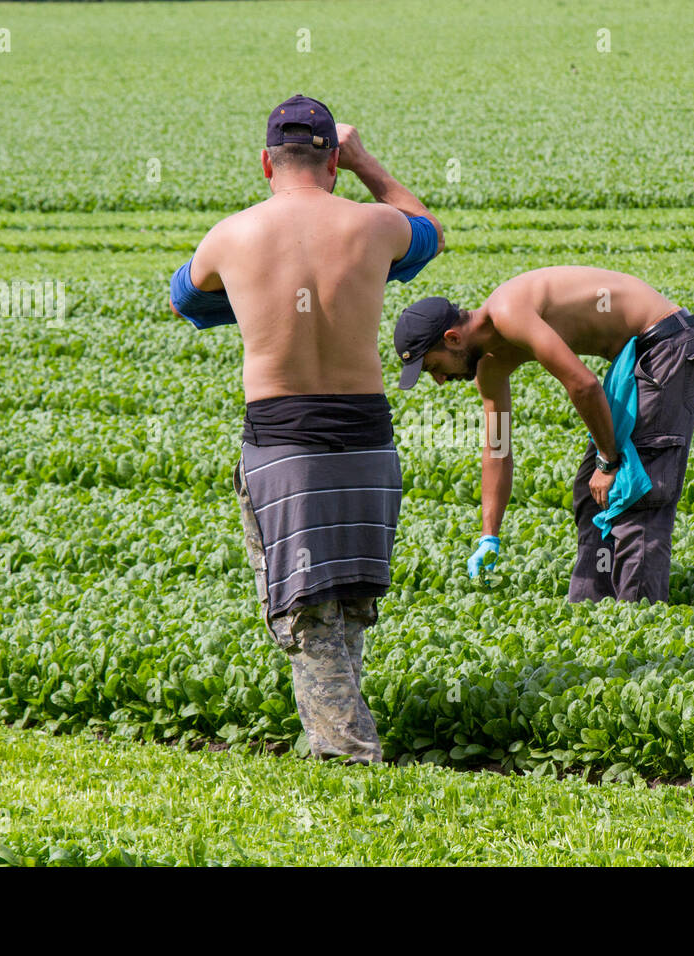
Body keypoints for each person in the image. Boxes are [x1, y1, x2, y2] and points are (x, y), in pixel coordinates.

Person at [169, 94, 444, 763]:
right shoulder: (374, 227)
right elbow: (427, 232)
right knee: (345, 601)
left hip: (285, 444)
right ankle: (338, 742)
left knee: (306, 615)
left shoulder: (230, 236)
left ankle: (350, 759)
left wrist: (264, 301)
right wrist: (368, 166)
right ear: (333, 163)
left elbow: (189, 301)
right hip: (367, 442)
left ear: (266, 162)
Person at [393, 266, 694, 603]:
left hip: (667, 344)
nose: (440, 380)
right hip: (636, 356)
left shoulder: (507, 311)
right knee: (591, 492)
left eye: (433, 367)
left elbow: (583, 384)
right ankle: (591, 609)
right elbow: (497, 448)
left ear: (453, 338)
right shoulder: (491, 365)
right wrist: (489, 537)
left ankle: (639, 619)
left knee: (635, 491)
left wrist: (608, 462)